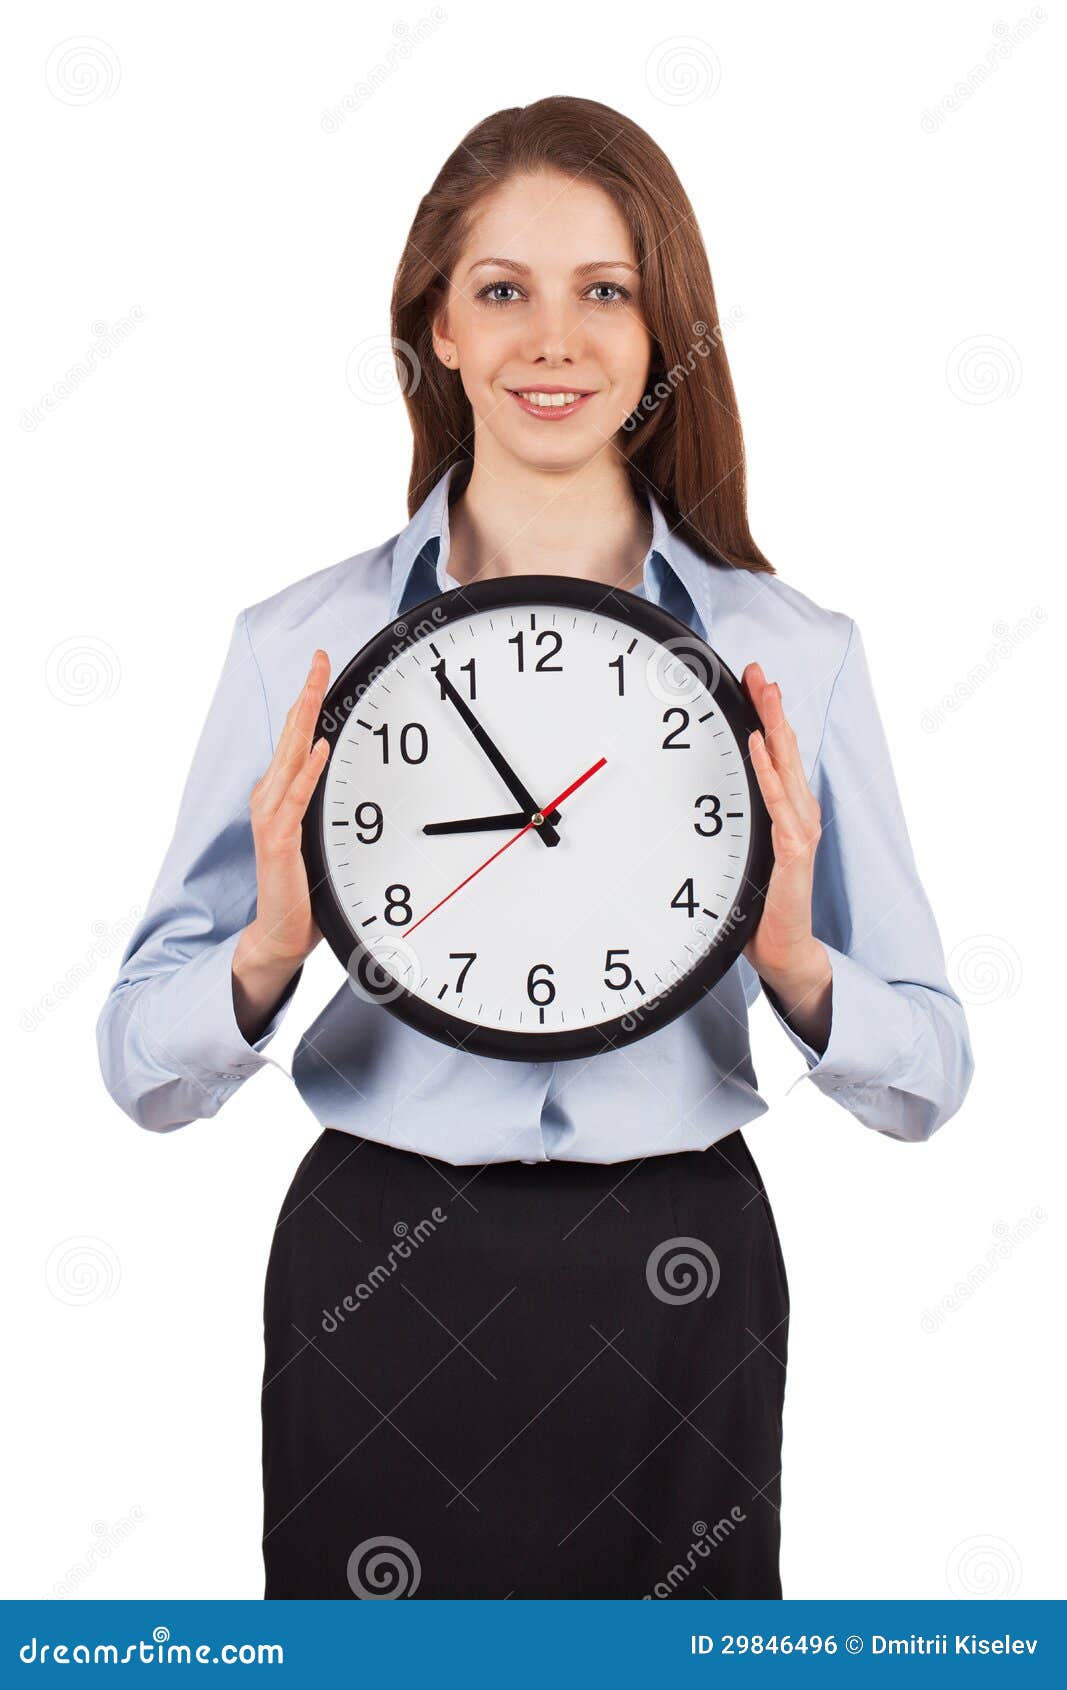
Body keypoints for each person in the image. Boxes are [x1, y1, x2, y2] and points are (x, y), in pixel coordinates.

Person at [96, 96, 975, 1600]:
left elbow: (931, 1076)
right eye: (503, 290)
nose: (551, 341)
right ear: (436, 325)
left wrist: (798, 964)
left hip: (676, 1281)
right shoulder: (298, 645)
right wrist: (267, 951)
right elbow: (137, 1062)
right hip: (376, 1265)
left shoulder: (789, 652)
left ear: (660, 332)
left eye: (605, 293)